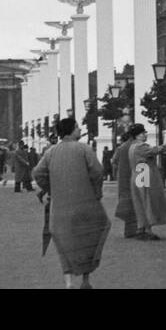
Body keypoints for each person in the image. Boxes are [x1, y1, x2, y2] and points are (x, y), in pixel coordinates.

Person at [32, 116, 110, 290]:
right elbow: (98, 172)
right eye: (77, 127)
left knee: (64, 243)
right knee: (88, 239)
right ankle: (85, 279)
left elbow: (38, 173)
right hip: (86, 205)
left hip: (59, 208)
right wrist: (96, 192)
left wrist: (51, 189)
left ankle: (68, 283)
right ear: (72, 130)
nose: (79, 130)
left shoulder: (50, 152)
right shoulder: (84, 149)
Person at [128, 126, 166, 240]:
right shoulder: (141, 146)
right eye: (143, 133)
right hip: (144, 174)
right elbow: (157, 150)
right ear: (137, 135)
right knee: (148, 202)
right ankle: (148, 230)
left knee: (139, 202)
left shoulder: (132, 147)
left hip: (136, 174)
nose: (145, 135)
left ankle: (141, 228)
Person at [113, 126, 139, 239]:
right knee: (138, 202)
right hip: (136, 177)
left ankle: (129, 230)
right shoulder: (137, 147)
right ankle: (137, 229)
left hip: (124, 179)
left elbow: (114, 161)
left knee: (127, 203)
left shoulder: (121, 148)